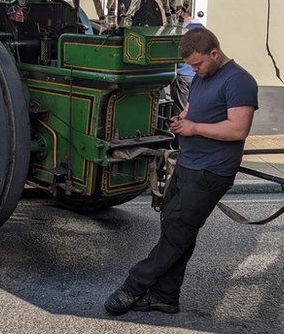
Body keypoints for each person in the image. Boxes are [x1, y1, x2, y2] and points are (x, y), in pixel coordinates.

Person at [105, 27, 258, 315]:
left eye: (198, 63)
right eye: (190, 65)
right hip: (189, 164)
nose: (194, 69)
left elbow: (238, 129)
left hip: (211, 172)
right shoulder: (203, 76)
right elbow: (193, 110)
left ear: (215, 53)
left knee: (177, 233)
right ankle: (165, 297)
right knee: (176, 230)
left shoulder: (239, 81)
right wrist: (181, 119)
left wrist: (194, 128)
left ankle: (133, 286)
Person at [170, 10, 203, 118]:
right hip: (200, 76)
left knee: (182, 112)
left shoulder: (182, 32)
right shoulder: (204, 30)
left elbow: (176, 56)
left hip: (184, 77)